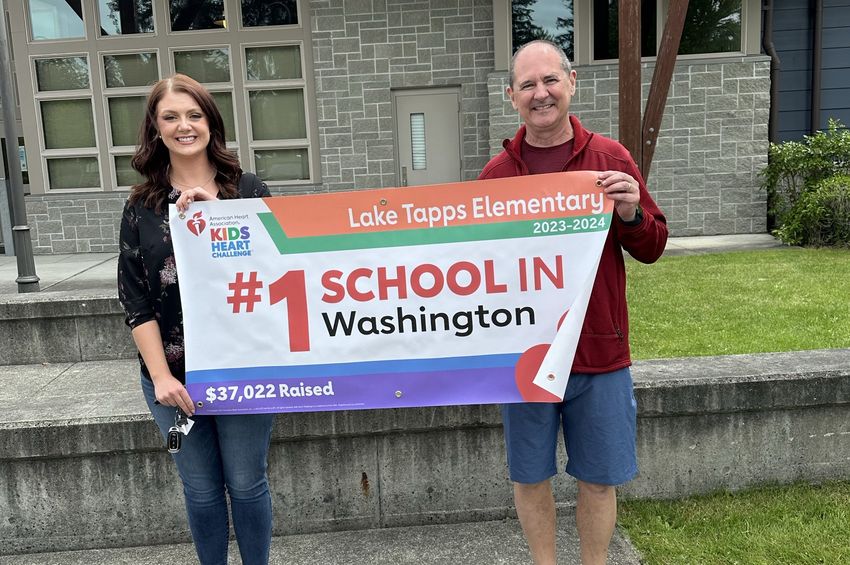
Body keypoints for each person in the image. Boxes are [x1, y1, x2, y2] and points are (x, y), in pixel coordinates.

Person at [479, 41, 668, 564]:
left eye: (550, 81)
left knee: (599, 480)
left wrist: (630, 213)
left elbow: (652, 247)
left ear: (572, 82)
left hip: (599, 353)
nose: (541, 94)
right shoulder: (496, 177)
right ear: (511, 95)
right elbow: (475, 269)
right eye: (528, 85)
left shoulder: (611, 160)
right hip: (527, 358)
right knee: (529, 476)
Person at [118, 74, 274, 565]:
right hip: (172, 378)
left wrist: (226, 216)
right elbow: (135, 300)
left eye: (194, 114)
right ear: (155, 129)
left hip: (243, 367)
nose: (184, 126)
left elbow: (282, 273)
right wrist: (160, 376)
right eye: (171, 117)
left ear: (210, 122)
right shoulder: (140, 205)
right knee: (202, 491)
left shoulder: (247, 188)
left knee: (247, 485)